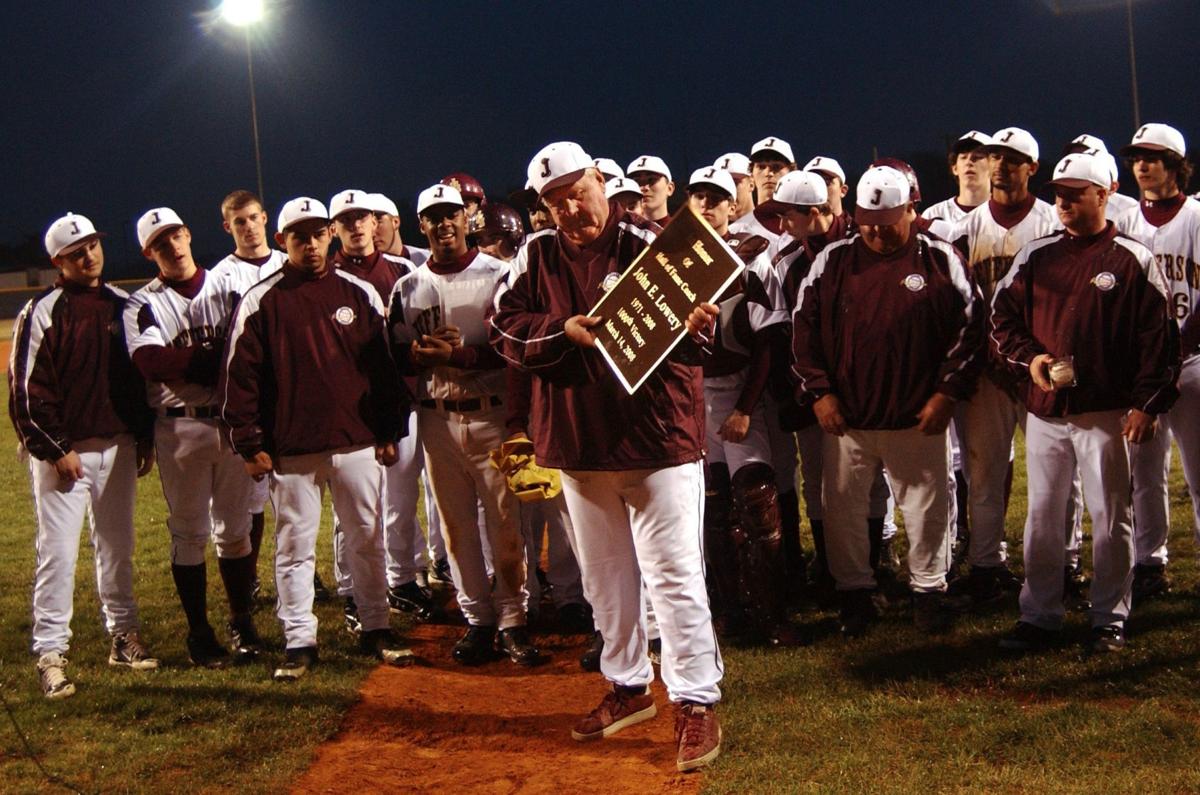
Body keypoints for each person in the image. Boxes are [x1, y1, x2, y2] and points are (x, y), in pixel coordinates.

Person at [492, 142, 722, 772]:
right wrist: (561, 327)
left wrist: (700, 324)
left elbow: (706, 346)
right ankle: (627, 686)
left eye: (578, 189)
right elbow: (503, 326)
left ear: (601, 179)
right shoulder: (534, 254)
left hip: (658, 440)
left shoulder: (653, 241)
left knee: (674, 576)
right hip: (577, 443)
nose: (570, 206)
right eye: (554, 199)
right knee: (604, 580)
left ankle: (696, 701)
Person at [220, 196, 414, 681]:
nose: (309, 243)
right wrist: (249, 442)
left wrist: (390, 429)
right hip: (292, 448)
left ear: (329, 234)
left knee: (367, 539)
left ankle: (376, 626)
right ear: (283, 240)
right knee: (294, 546)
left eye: (316, 233)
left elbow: (384, 371)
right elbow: (239, 379)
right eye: (298, 235)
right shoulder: (262, 300)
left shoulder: (358, 292)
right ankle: (299, 639)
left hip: (357, 442)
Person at [991, 153, 1178, 652]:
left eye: (1076, 192)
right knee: (1043, 516)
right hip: (1046, 409)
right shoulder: (1036, 255)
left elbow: (1159, 341)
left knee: (1110, 516)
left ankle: (1109, 617)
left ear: (1103, 195)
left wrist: (1146, 404)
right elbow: (1001, 319)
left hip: (1107, 411)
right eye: (1060, 192)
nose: (1064, 201)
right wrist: (1030, 359)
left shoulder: (1133, 258)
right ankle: (1040, 614)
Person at [792, 166, 985, 637]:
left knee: (927, 507)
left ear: (910, 212)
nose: (876, 232)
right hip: (848, 418)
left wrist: (946, 392)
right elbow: (804, 331)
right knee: (842, 508)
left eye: (887, 221)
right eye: (867, 221)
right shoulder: (832, 262)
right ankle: (855, 594)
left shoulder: (940, 258)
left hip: (918, 416)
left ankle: (929, 591)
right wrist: (820, 392)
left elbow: (973, 327)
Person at [390, 184, 541, 667]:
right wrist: (414, 355)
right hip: (437, 419)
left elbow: (513, 349)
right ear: (422, 225)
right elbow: (392, 354)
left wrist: (459, 355)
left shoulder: (498, 275)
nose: (444, 224)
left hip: (493, 414)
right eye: (433, 217)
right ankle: (477, 619)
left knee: (505, 526)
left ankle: (514, 620)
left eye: (451, 214)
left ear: (466, 218)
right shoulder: (407, 287)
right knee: (455, 528)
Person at [10, 212, 158, 699]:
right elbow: (28, 393)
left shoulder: (123, 304)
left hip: (116, 445)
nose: (89, 254)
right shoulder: (43, 311)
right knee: (58, 553)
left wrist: (144, 436)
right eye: (77, 251)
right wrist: (56, 449)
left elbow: (140, 383)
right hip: (66, 455)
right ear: (58, 261)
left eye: (93, 244)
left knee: (118, 547)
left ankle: (123, 635)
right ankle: (50, 653)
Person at [125, 207, 263, 667]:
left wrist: (188, 358)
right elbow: (150, 364)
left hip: (228, 422)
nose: (173, 246)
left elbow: (247, 352)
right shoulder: (141, 302)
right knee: (189, 531)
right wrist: (211, 359)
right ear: (150, 253)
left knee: (237, 529)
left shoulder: (229, 289)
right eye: (160, 243)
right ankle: (199, 631)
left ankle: (242, 620)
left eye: (177, 236)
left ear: (188, 234)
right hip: (179, 427)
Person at [685, 166, 798, 646]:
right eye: (699, 197)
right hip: (690, 394)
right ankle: (728, 611)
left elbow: (768, 343)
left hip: (735, 391)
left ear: (734, 205)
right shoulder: (668, 259)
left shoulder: (752, 259)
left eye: (717, 198)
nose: (707, 206)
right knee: (710, 510)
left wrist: (746, 407)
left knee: (758, 502)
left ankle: (772, 613)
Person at [950, 126, 1062, 604]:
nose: (999, 165)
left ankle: (1062, 562)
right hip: (987, 373)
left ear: (1032, 168)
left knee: (1056, 475)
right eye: (995, 156)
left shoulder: (1051, 222)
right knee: (984, 472)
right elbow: (962, 309)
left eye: (1011, 158)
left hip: (1040, 368)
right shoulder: (968, 229)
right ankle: (986, 564)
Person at [325, 189, 444, 630]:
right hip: (355, 410)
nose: (357, 226)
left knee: (401, 498)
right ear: (334, 229)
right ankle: (351, 587)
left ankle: (402, 577)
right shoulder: (329, 275)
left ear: (377, 223)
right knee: (354, 506)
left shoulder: (403, 271)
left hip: (404, 400)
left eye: (363, 218)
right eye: (346, 220)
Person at [1116, 123, 1200, 604]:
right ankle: (1150, 561)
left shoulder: (1195, 217)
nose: (1141, 166)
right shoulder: (1126, 223)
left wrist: (1178, 345)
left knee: (1198, 472)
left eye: (1151, 157)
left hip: (1194, 363)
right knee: (1143, 472)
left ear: (1175, 164)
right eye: (1136, 158)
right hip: (1143, 370)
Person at [210, 190, 287, 601]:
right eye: (239, 222)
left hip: (289, 396)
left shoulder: (285, 262)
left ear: (265, 218)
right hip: (253, 398)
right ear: (228, 227)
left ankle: (299, 575)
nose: (248, 227)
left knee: (294, 493)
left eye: (253, 218)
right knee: (254, 498)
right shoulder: (221, 277)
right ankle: (253, 576)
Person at [729, 136, 795, 249]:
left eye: (776, 167)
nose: (768, 173)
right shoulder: (736, 230)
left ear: (792, 172)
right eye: (761, 167)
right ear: (752, 175)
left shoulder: (808, 224)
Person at [922, 131, 994, 225]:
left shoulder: (1006, 214)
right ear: (955, 168)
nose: (969, 162)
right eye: (963, 157)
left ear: (993, 167)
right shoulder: (933, 215)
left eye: (977, 157)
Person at [803, 156, 853, 229]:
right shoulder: (794, 232)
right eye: (811, 183)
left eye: (826, 183)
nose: (818, 189)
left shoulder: (860, 234)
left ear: (843, 191)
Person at [626, 154, 675, 223]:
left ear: (670, 188)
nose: (644, 188)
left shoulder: (683, 231)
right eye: (637, 182)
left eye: (651, 180)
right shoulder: (622, 231)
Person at [713, 152, 755, 221]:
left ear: (751, 184)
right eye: (721, 184)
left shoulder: (769, 225)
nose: (728, 190)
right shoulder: (704, 229)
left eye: (734, 183)